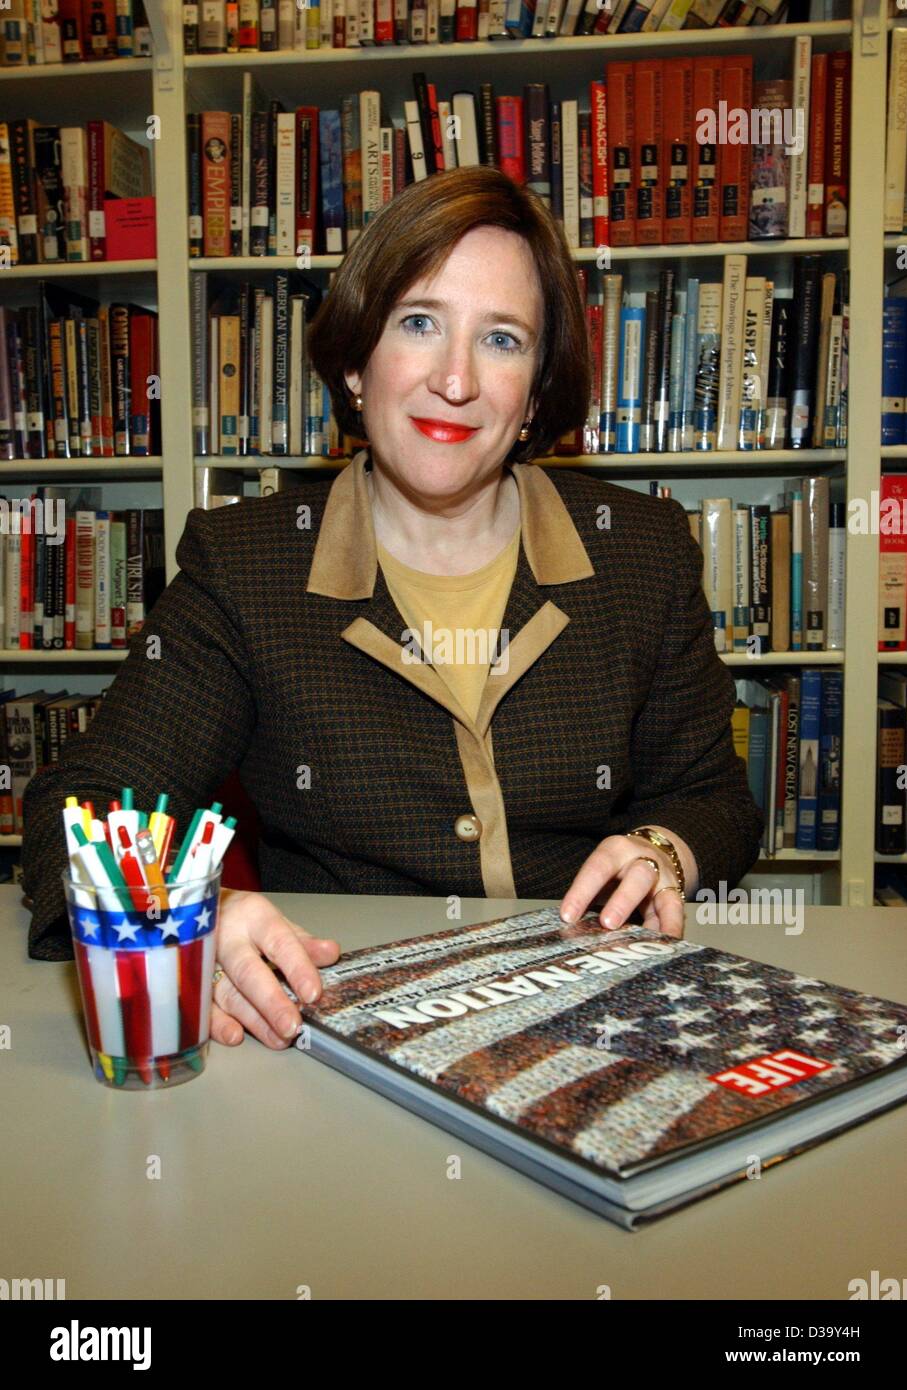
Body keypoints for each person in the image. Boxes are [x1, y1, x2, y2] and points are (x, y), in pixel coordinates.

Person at [22, 165, 764, 1055]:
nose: (456, 381)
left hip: (593, 1015)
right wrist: (185, 918)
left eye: (502, 340)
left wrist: (665, 851)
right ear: (354, 362)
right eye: (419, 323)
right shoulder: (246, 565)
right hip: (336, 1030)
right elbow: (82, 806)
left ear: (534, 396)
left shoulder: (641, 550)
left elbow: (712, 796)